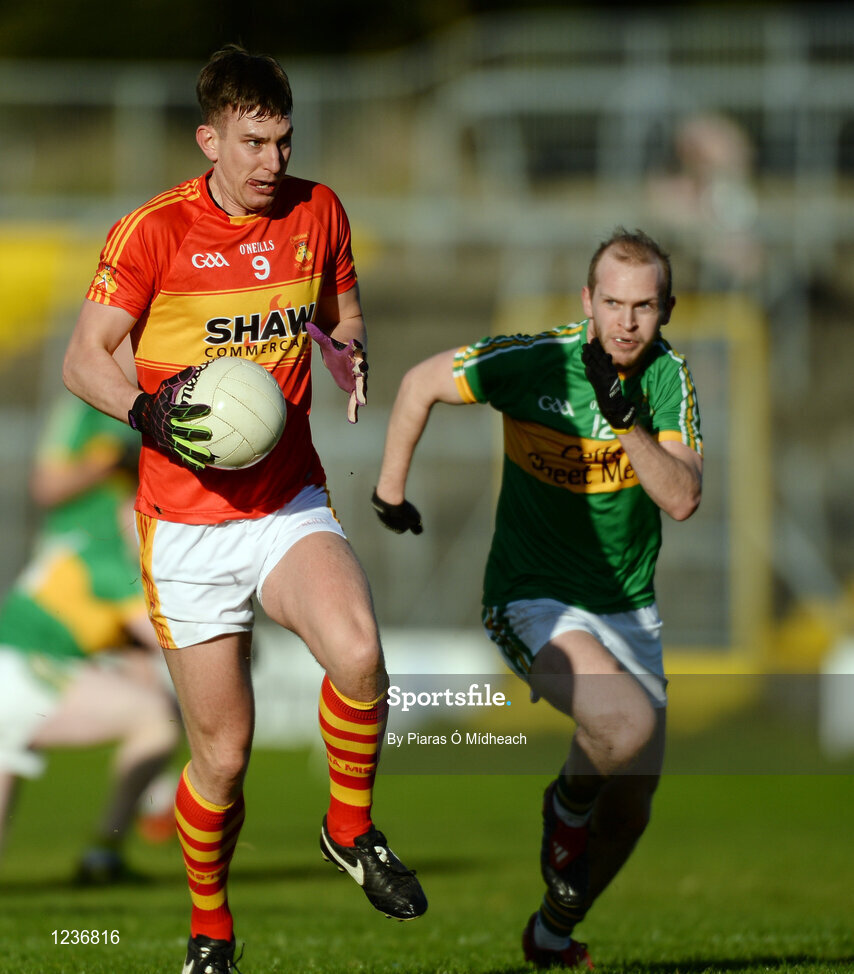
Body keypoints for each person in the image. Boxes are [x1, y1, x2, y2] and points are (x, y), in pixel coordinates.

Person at [62, 43, 426, 974]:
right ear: (210, 139)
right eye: (253, 142)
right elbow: (84, 358)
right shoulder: (152, 233)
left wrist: (348, 353)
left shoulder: (320, 210)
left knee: (359, 652)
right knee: (223, 760)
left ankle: (349, 831)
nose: (272, 161)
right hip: (183, 528)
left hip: (285, 501)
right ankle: (210, 933)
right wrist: (143, 411)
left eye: (284, 140)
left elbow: (341, 318)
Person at [372, 228, 703, 969]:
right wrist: (390, 491)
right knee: (621, 725)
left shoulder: (667, 381)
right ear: (587, 300)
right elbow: (422, 381)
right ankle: (565, 808)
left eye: (644, 307)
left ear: (667, 309)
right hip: (532, 598)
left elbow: (681, 497)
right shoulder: (534, 362)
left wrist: (628, 424)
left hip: (628, 609)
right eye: (612, 303)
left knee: (635, 810)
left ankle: (552, 931)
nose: (626, 323)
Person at [0, 391, 182, 884]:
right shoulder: (109, 558)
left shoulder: (93, 545)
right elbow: (169, 635)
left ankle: (134, 824)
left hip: (25, 662)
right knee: (157, 717)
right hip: (25, 667)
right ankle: (105, 852)